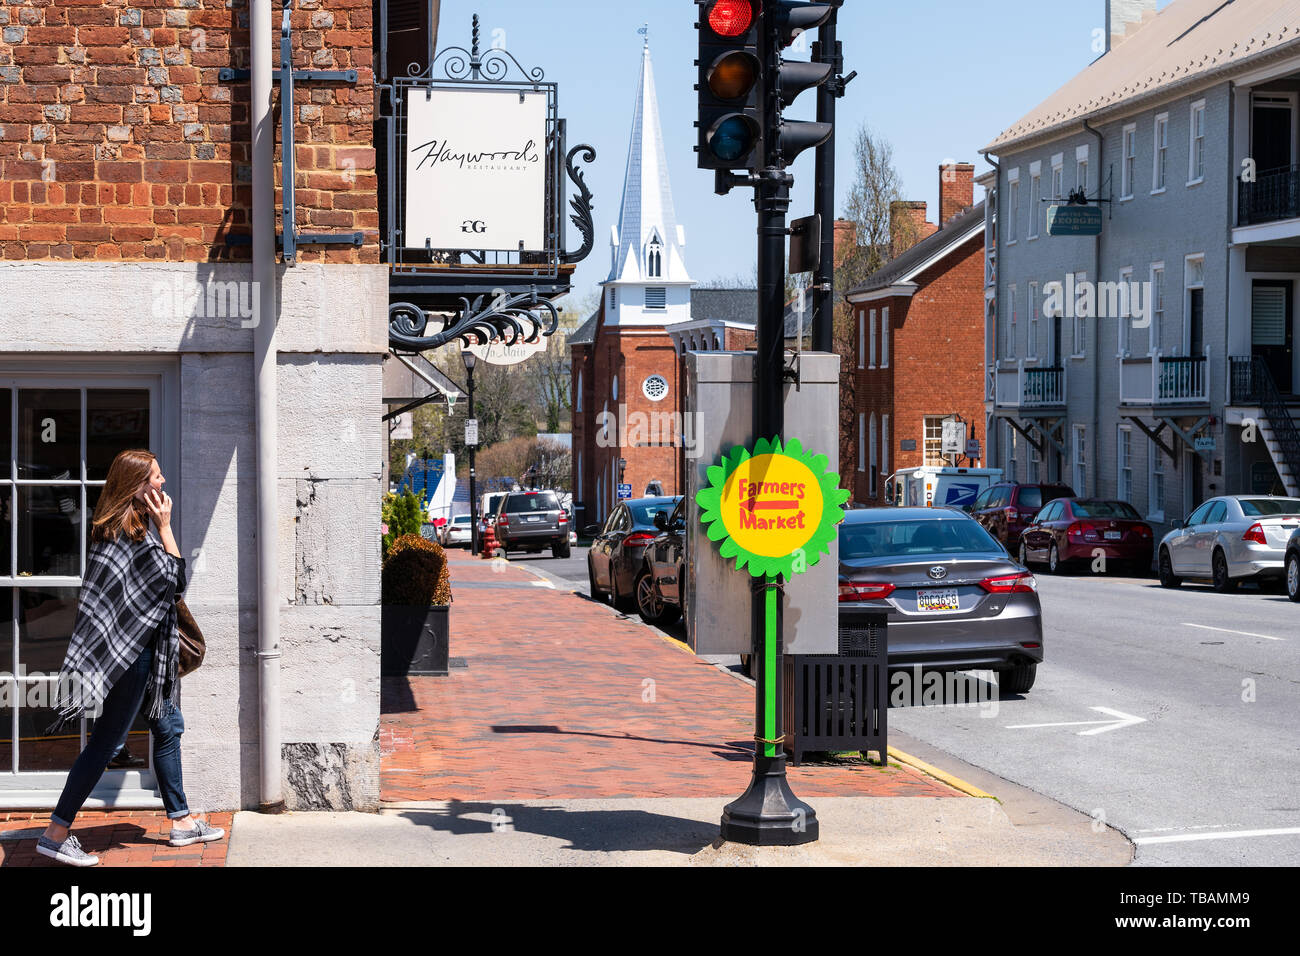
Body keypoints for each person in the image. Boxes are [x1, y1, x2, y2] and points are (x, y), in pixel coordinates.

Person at [37, 449, 223, 867]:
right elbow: (174, 580)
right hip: (133, 655)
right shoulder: (125, 532)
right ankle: (55, 832)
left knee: (167, 726)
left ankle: (180, 822)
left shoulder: (127, 526)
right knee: (105, 744)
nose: (161, 483)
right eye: (155, 477)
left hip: (149, 653)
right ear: (136, 485)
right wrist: (166, 526)